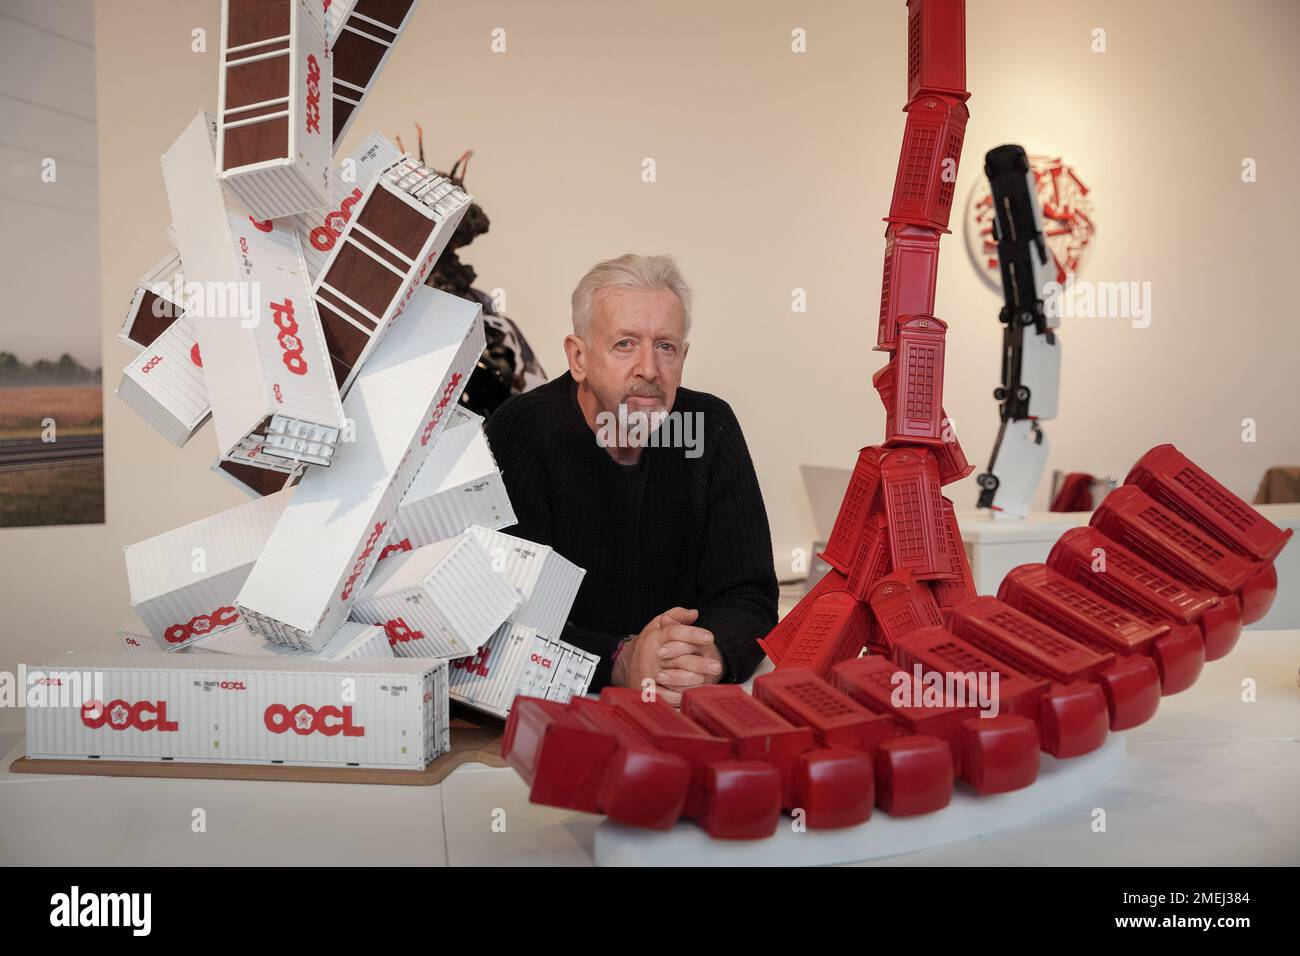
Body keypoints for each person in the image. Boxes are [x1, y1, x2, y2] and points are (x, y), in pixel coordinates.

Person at [484, 253, 778, 704]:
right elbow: (503, 614)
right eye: (625, 344)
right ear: (578, 357)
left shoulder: (708, 426)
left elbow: (749, 593)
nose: (649, 368)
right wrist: (620, 660)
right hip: (562, 703)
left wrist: (708, 655)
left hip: (681, 700)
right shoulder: (521, 431)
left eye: (666, 346)